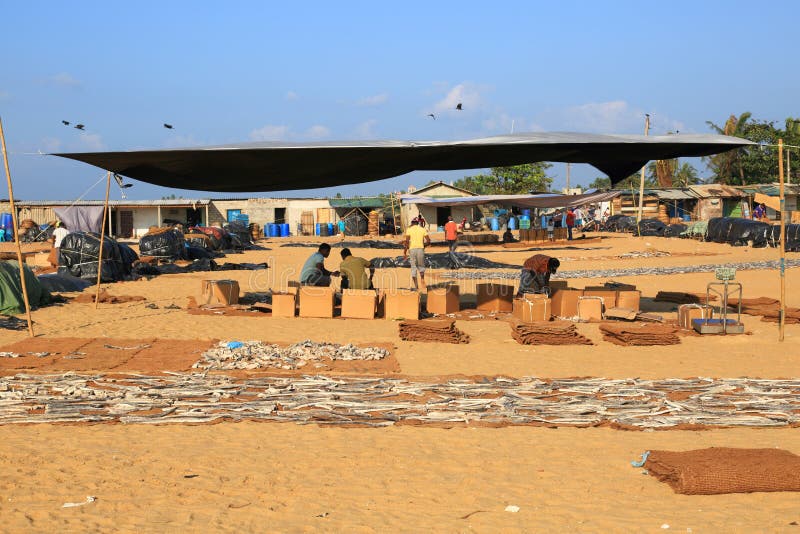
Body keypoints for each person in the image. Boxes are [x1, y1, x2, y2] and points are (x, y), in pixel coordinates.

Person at [403, 217, 431, 290]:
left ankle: (416, 286)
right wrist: (423, 246)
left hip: (412, 250)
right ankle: (422, 279)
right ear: (418, 223)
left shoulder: (409, 230)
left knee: (413, 267)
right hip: (420, 249)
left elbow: (407, 242)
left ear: (412, 223)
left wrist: (405, 252)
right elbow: (428, 241)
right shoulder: (422, 229)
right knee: (421, 265)